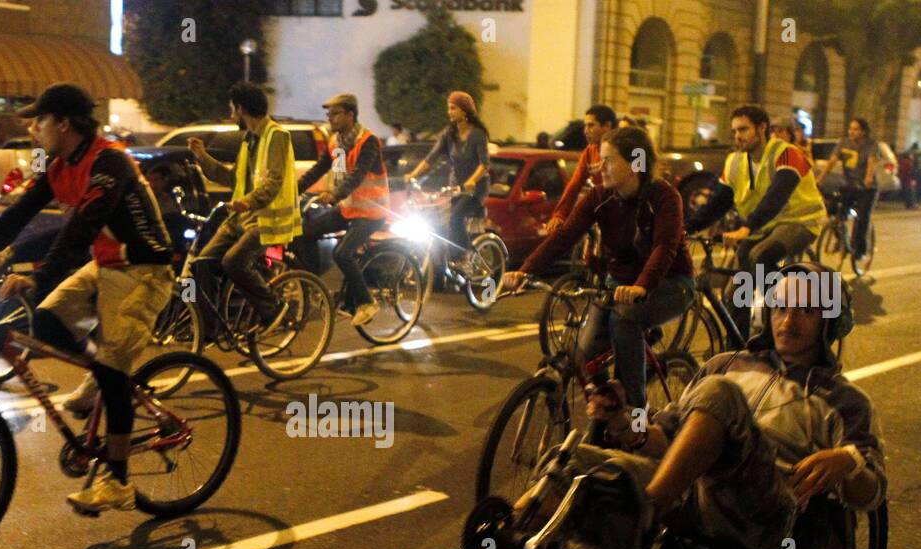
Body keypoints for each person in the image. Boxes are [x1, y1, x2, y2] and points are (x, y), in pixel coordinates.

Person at [396, 263, 886, 549]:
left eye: (805, 309)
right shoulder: (725, 363)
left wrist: (845, 462)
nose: (788, 320)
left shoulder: (846, 401)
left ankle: (645, 513)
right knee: (576, 456)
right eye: (781, 306)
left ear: (829, 320)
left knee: (721, 398)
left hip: (764, 510)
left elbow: (872, 492)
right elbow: (664, 435)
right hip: (692, 497)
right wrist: (622, 422)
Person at [0, 83, 175, 514]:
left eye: (39, 120)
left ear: (64, 124)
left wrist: (40, 275)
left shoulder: (109, 162)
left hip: (145, 268)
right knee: (46, 319)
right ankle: (99, 375)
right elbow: (17, 215)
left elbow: (82, 227)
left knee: (112, 372)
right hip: (105, 265)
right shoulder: (59, 165)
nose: (32, 129)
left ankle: (118, 481)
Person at [498, 126, 696, 411]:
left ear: (635, 164)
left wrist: (642, 286)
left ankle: (634, 413)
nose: (599, 167)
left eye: (609, 160)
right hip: (618, 284)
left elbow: (664, 247)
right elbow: (565, 236)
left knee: (624, 319)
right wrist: (526, 270)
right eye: (600, 159)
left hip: (670, 283)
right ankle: (607, 414)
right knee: (585, 356)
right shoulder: (599, 196)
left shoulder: (664, 197)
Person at [685, 104, 827, 340]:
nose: (738, 136)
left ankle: (776, 332)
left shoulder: (786, 153)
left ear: (762, 128)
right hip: (764, 226)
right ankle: (736, 345)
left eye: (743, 130)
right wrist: (688, 227)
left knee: (761, 256)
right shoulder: (734, 161)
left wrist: (747, 227)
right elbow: (718, 202)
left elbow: (777, 195)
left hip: (801, 222)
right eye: (734, 131)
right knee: (741, 276)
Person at [187, 81, 301, 331]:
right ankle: (209, 328)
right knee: (202, 261)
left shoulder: (276, 136)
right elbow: (232, 178)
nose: (230, 114)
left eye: (232, 109)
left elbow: (274, 181)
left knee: (233, 261)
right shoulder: (248, 140)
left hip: (267, 222)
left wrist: (247, 201)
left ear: (241, 109)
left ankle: (273, 308)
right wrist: (202, 157)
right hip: (241, 220)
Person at [294, 92, 391, 327]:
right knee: (304, 233)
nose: (330, 119)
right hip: (348, 208)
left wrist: (335, 194)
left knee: (341, 254)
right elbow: (319, 169)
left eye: (335, 114)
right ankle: (313, 288)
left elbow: (357, 175)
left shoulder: (368, 141)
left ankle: (367, 303)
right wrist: (292, 189)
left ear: (350, 114)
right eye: (328, 114)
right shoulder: (335, 142)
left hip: (371, 212)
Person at [405, 91, 490, 269]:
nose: (449, 112)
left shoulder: (477, 135)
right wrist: (413, 174)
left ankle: (463, 258)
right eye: (448, 108)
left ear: (465, 111)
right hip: (455, 187)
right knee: (434, 220)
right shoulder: (449, 134)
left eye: (453, 108)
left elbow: (484, 165)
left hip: (475, 189)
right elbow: (431, 158)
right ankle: (441, 266)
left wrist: (472, 181)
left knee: (455, 217)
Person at [543, 104, 616, 236]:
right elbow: (574, 184)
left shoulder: (628, 149)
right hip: (601, 211)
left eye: (591, 125)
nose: (585, 131)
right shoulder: (589, 151)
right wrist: (559, 214)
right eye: (585, 126)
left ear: (607, 126)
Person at [818, 117, 880, 260]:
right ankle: (841, 239)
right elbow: (832, 161)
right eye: (850, 128)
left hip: (867, 189)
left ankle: (860, 251)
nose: (852, 132)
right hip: (849, 186)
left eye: (856, 129)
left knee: (862, 218)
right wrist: (820, 179)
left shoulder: (871, 144)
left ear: (863, 132)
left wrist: (869, 177)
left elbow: (872, 162)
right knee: (832, 210)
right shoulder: (843, 143)